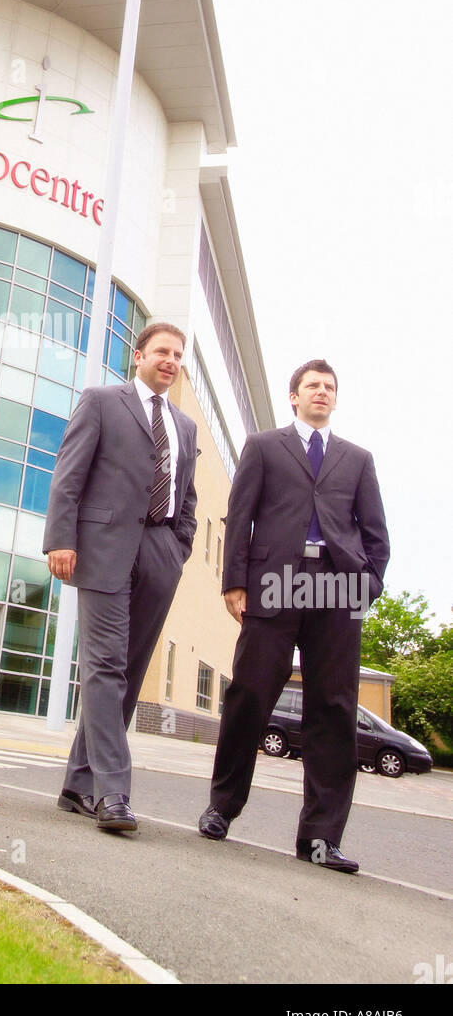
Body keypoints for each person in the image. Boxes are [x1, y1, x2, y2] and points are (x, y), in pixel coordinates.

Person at [198, 360, 390, 872]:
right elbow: (241, 516)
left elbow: (375, 534)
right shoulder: (263, 447)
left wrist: (365, 588)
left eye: (330, 386)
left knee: (333, 708)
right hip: (274, 583)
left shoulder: (358, 459)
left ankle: (321, 839)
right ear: (293, 396)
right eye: (313, 386)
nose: (322, 392)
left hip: (337, 587)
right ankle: (222, 807)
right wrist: (235, 582)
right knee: (251, 693)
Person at [44, 322, 198, 832]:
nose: (170, 361)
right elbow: (70, 474)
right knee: (104, 665)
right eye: (162, 352)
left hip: (159, 552)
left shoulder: (185, 426)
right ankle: (113, 793)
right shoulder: (102, 401)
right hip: (103, 549)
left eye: (177, 355)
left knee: (126, 672)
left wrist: (178, 548)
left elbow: (186, 497)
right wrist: (60, 539)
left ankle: (76, 785)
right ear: (138, 356)